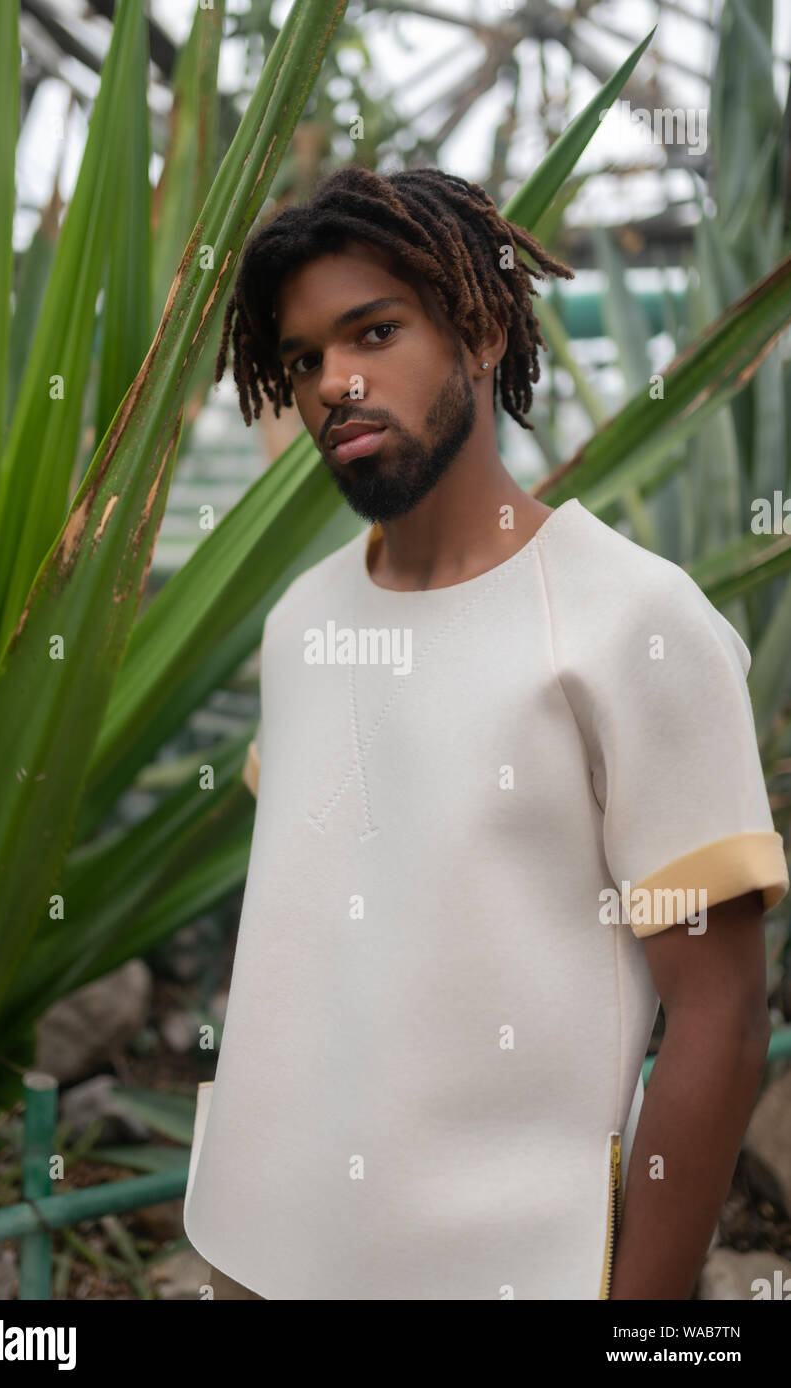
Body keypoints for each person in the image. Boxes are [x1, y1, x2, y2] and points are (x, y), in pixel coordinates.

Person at [183, 165, 789, 1300]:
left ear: (482, 325)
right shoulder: (302, 621)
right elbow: (302, 937)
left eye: (373, 331)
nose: (335, 384)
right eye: (306, 357)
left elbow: (718, 1017)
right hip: (250, 1248)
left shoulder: (631, 625)